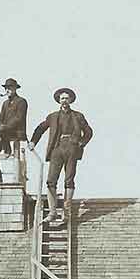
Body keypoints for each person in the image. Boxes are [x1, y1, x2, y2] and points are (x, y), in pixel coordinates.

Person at [30, 86, 93, 223]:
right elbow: (40, 128)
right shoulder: (53, 116)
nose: (64, 100)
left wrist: (81, 143)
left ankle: (66, 213)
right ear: (59, 100)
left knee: (69, 180)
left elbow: (89, 132)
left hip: (72, 149)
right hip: (57, 149)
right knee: (51, 181)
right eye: (62, 98)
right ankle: (52, 212)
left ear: (70, 100)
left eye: (66, 98)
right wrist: (33, 142)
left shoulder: (78, 116)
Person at [0, 78, 28, 183]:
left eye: (10, 88)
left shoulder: (21, 101)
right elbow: (0, 118)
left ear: (15, 89)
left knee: (4, 133)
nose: (7, 90)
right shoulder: (5, 103)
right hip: (4, 133)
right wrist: (0, 126)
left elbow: (19, 118)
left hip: (16, 132)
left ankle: (7, 150)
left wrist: (5, 127)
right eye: (6, 88)